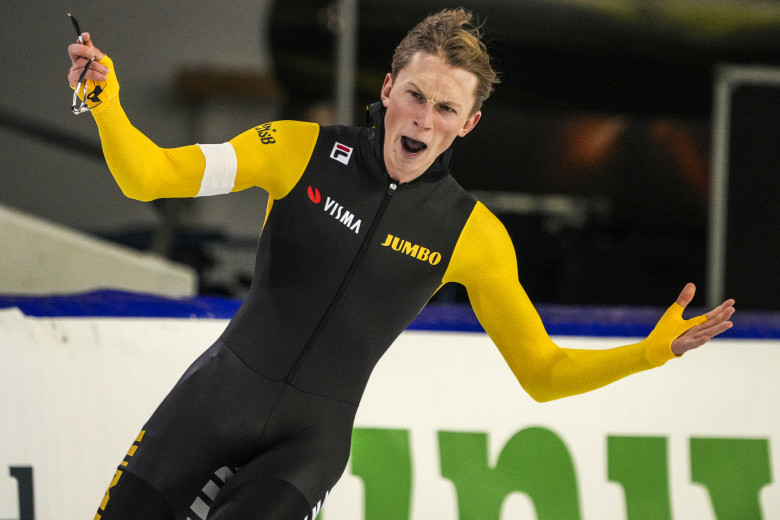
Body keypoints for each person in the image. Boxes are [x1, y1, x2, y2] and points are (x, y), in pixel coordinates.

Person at [67, 8, 734, 520]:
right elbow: (151, 176)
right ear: (387, 89)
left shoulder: (473, 235)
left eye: (446, 108)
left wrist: (649, 353)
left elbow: (543, 373)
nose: (423, 119)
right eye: (415, 95)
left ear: (468, 124)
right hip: (211, 402)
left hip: (305, 447)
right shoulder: (294, 150)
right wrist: (106, 102)